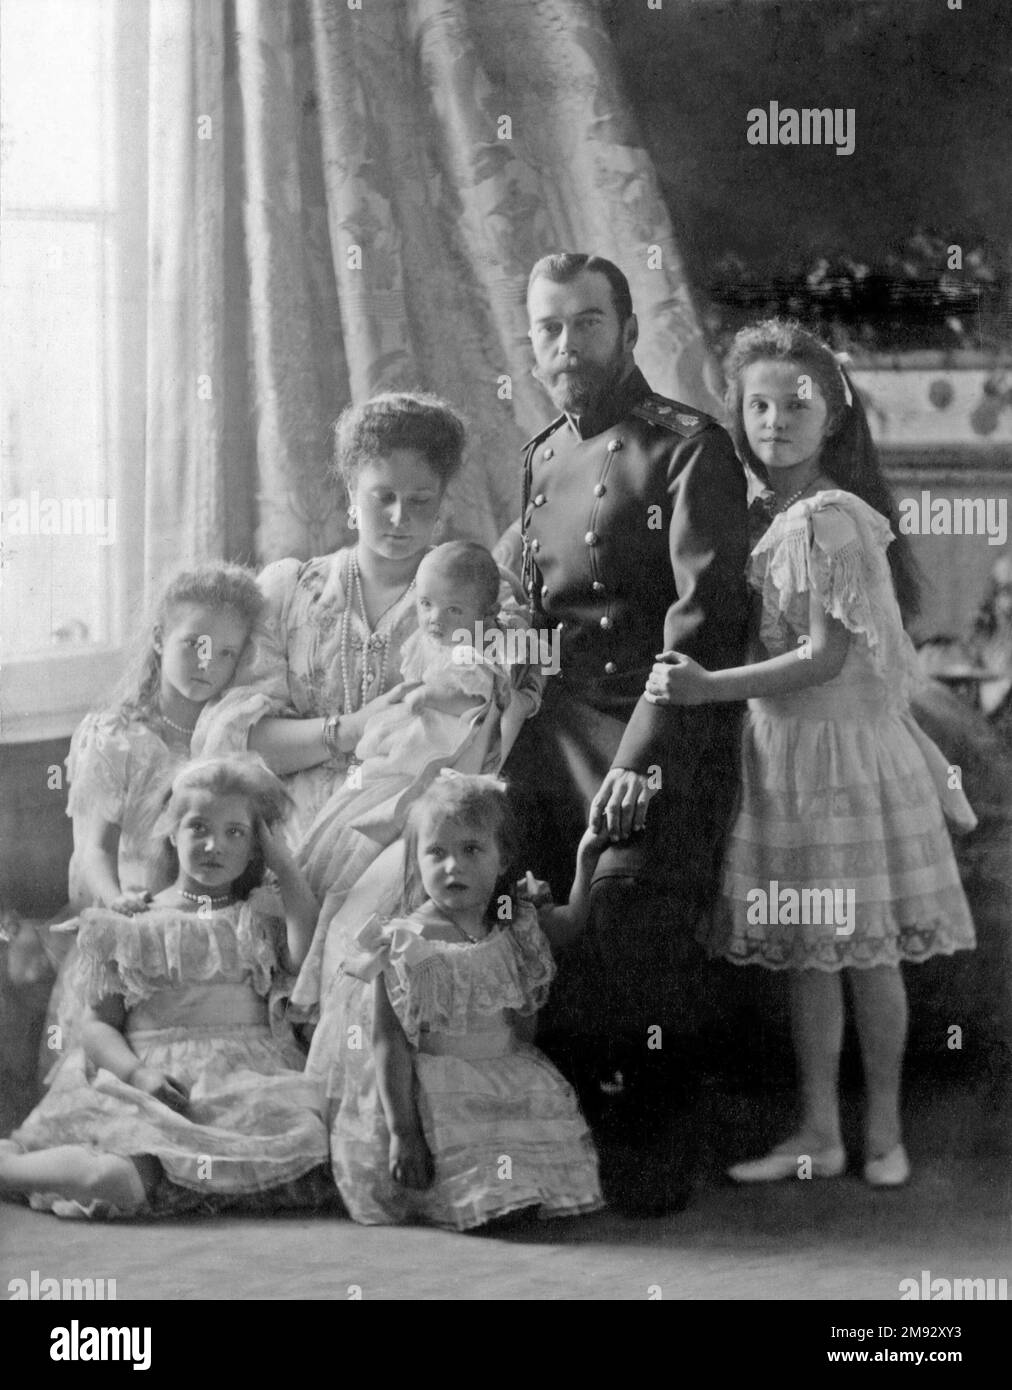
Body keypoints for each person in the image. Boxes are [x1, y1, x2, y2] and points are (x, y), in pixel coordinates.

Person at [646, 319, 978, 1187]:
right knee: (809, 954)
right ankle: (819, 1132)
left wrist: (707, 687)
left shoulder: (828, 518)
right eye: (758, 405)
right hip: (785, 753)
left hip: (839, 758)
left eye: (797, 404)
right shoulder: (769, 515)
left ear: (833, 416)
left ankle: (883, 1135)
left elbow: (826, 656)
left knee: (865, 952)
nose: (775, 421)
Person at [501, 252, 751, 1214]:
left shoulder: (691, 448)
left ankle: (654, 1139)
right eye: (550, 328)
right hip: (553, 727)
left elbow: (703, 627)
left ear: (630, 330)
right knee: (501, 892)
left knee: (625, 908)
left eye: (588, 323)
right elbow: (524, 604)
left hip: (665, 723)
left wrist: (641, 761)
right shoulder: (540, 454)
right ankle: (557, 1132)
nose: (568, 346)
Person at [197, 394, 541, 1017]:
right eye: (382, 496)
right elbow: (240, 738)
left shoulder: (478, 597)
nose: (399, 516)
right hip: (288, 815)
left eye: (421, 500)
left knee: (374, 934)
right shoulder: (291, 591)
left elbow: (483, 738)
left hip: (413, 817)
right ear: (350, 494)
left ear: (444, 506)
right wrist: (349, 730)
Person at [0, 756, 331, 1219]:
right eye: (198, 827)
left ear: (256, 845)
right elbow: (96, 1028)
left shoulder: (257, 917)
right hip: (153, 1083)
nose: (215, 845)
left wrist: (282, 862)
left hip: (244, 1084)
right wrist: (138, 1075)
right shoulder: (134, 925)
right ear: (171, 833)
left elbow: (304, 954)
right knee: (112, 1179)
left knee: (313, 1148)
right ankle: (9, 1165)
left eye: (236, 832)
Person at [8, 564, 265, 1062]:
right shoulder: (116, 737)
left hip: (208, 930)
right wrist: (116, 900)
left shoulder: (235, 735)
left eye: (227, 652)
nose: (208, 663)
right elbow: (91, 850)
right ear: (158, 640)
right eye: (195, 643)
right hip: (132, 921)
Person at [328, 771, 605, 1229]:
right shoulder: (402, 942)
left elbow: (570, 926)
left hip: (506, 1071)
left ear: (503, 857)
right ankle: (482, 1197)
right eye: (436, 853)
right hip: (439, 1086)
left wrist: (586, 860)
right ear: (416, 862)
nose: (452, 866)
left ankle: (517, 1191)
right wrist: (403, 1133)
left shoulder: (514, 923)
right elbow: (387, 1042)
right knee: (469, 1144)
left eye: (471, 850)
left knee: (523, 1136)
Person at [293, 541, 512, 1007]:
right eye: (426, 604)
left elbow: (473, 700)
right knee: (338, 832)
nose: (436, 619)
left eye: (454, 609)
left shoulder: (473, 656)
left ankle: (333, 986)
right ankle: (306, 949)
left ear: (485, 613)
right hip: (401, 754)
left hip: (433, 761)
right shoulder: (431, 643)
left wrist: (432, 697)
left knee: (363, 849)